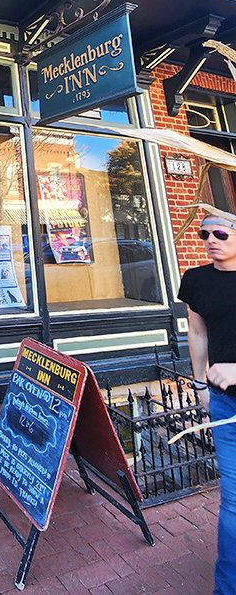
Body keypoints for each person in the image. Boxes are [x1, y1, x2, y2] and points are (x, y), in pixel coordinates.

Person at [179, 204, 236, 595]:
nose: (210, 241)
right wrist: (200, 385)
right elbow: (197, 334)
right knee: (233, 501)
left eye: (220, 234)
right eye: (204, 235)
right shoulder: (196, 280)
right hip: (223, 404)